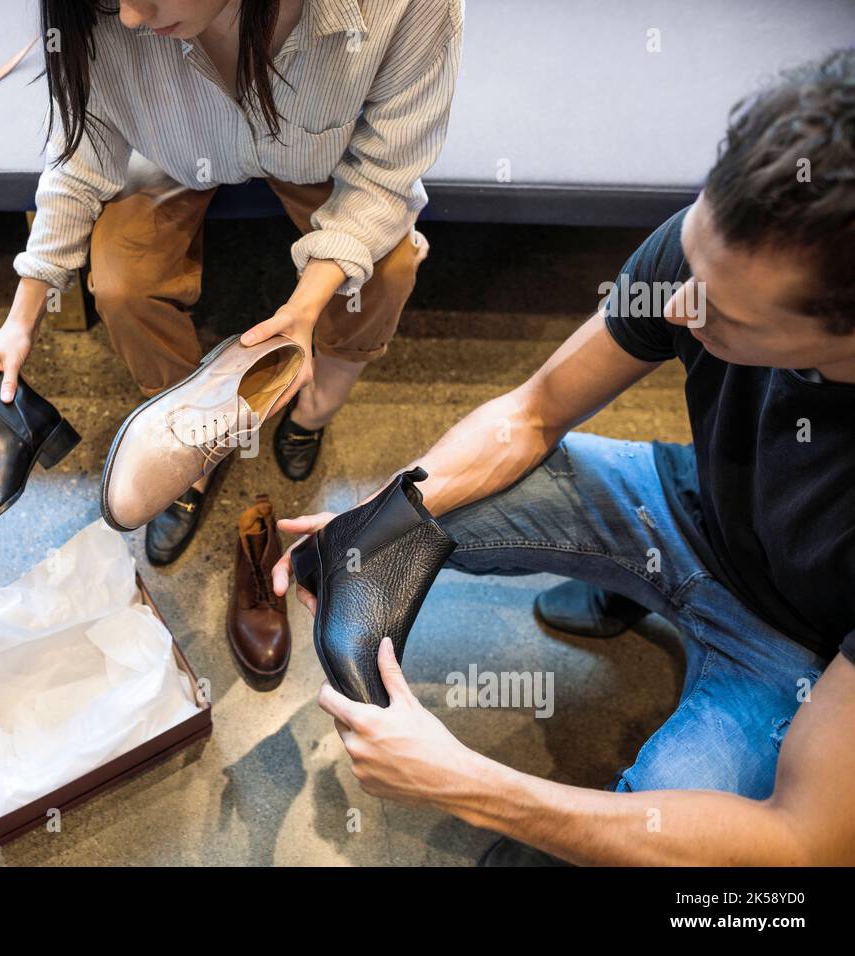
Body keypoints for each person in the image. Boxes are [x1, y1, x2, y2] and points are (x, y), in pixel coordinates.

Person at [273, 49, 855, 865]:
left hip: (802, 653)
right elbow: (533, 413)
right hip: (689, 506)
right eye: (690, 265)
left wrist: (468, 784)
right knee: (412, 513)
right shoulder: (728, 241)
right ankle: (633, 584)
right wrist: (381, 519)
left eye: (722, 310)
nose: (679, 307)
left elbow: (805, 841)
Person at [0, 0, 462, 564]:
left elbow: (385, 172)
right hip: (178, 149)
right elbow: (83, 156)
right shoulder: (110, 14)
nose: (130, 18)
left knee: (387, 267)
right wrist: (22, 314)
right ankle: (192, 435)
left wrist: (304, 306)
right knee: (120, 281)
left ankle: (313, 412)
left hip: (326, 154)